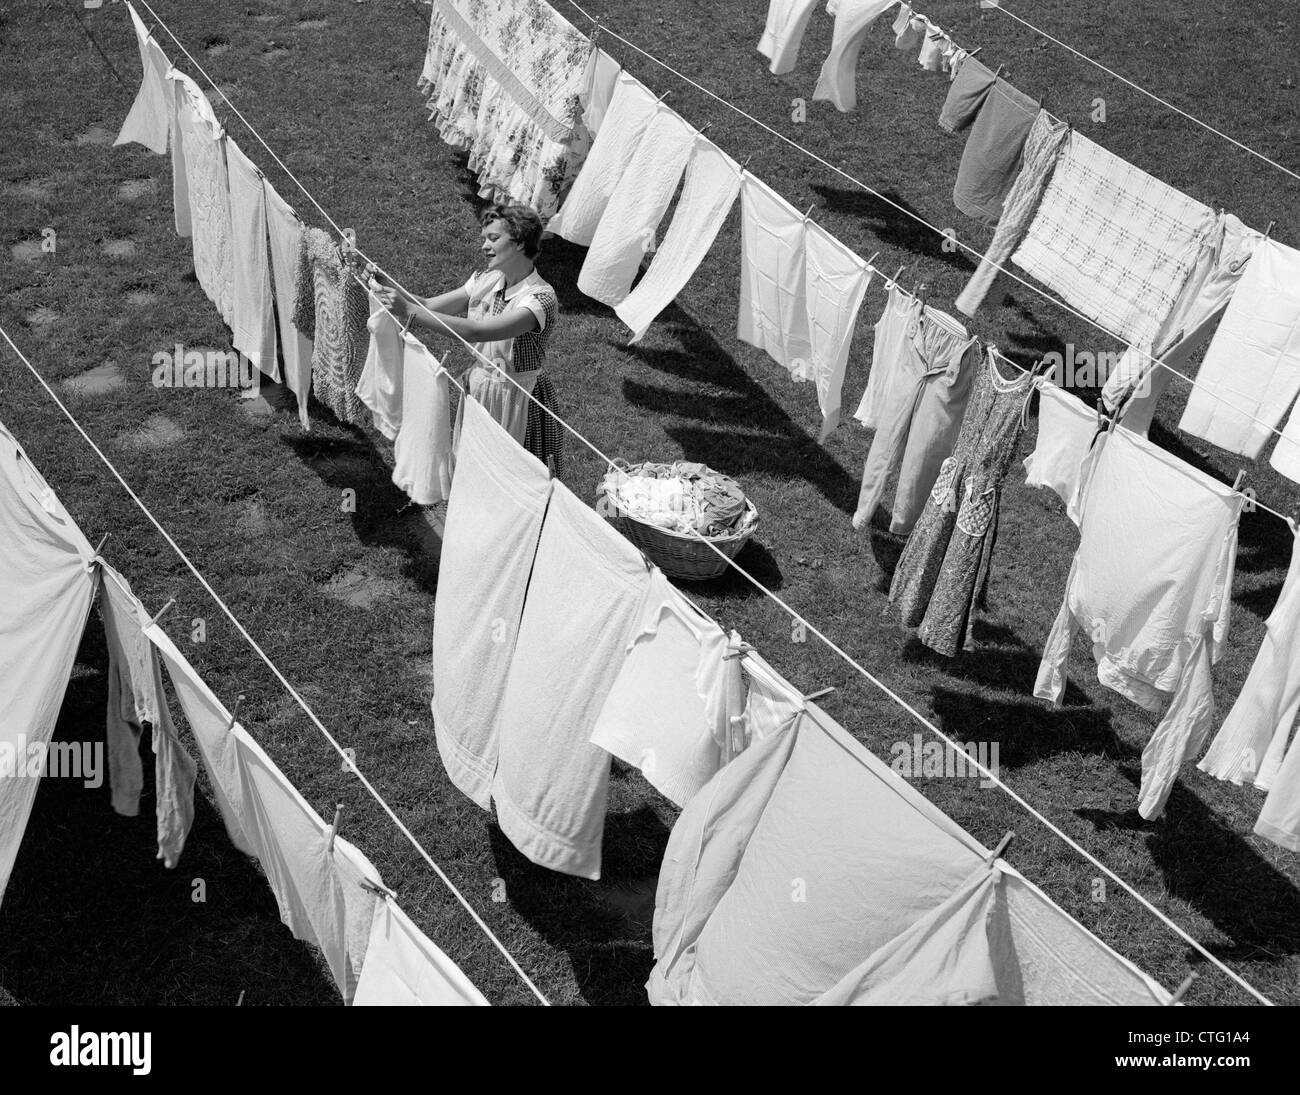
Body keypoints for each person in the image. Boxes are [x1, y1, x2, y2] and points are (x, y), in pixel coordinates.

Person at [370, 204, 564, 476]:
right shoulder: (487, 279)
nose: (485, 246)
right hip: (482, 389)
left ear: (520, 242)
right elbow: (428, 305)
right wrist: (385, 284)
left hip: (517, 399)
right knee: (474, 471)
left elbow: (478, 331)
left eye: (493, 239)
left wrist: (409, 310)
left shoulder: (540, 299)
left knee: (512, 479)